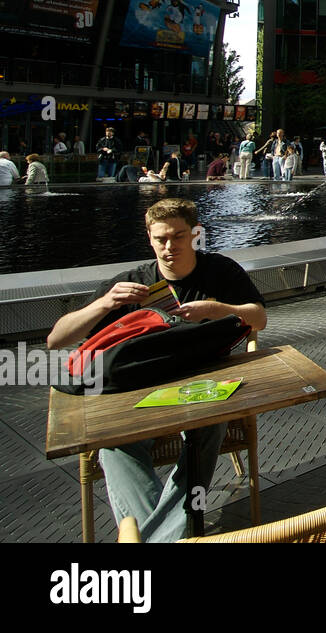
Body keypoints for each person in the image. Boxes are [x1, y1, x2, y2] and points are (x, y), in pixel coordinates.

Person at [46, 198, 267, 542]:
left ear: (195, 234)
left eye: (178, 237)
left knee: (209, 427)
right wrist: (105, 303)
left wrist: (217, 308)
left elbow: (260, 319)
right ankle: (167, 538)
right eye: (160, 239)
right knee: (115, 446)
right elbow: (56, 340)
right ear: (149, 236)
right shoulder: (130, 284)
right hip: (137, 390)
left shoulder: (221, 271)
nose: (169, 247)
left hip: (203, 384)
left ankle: (147, 539)